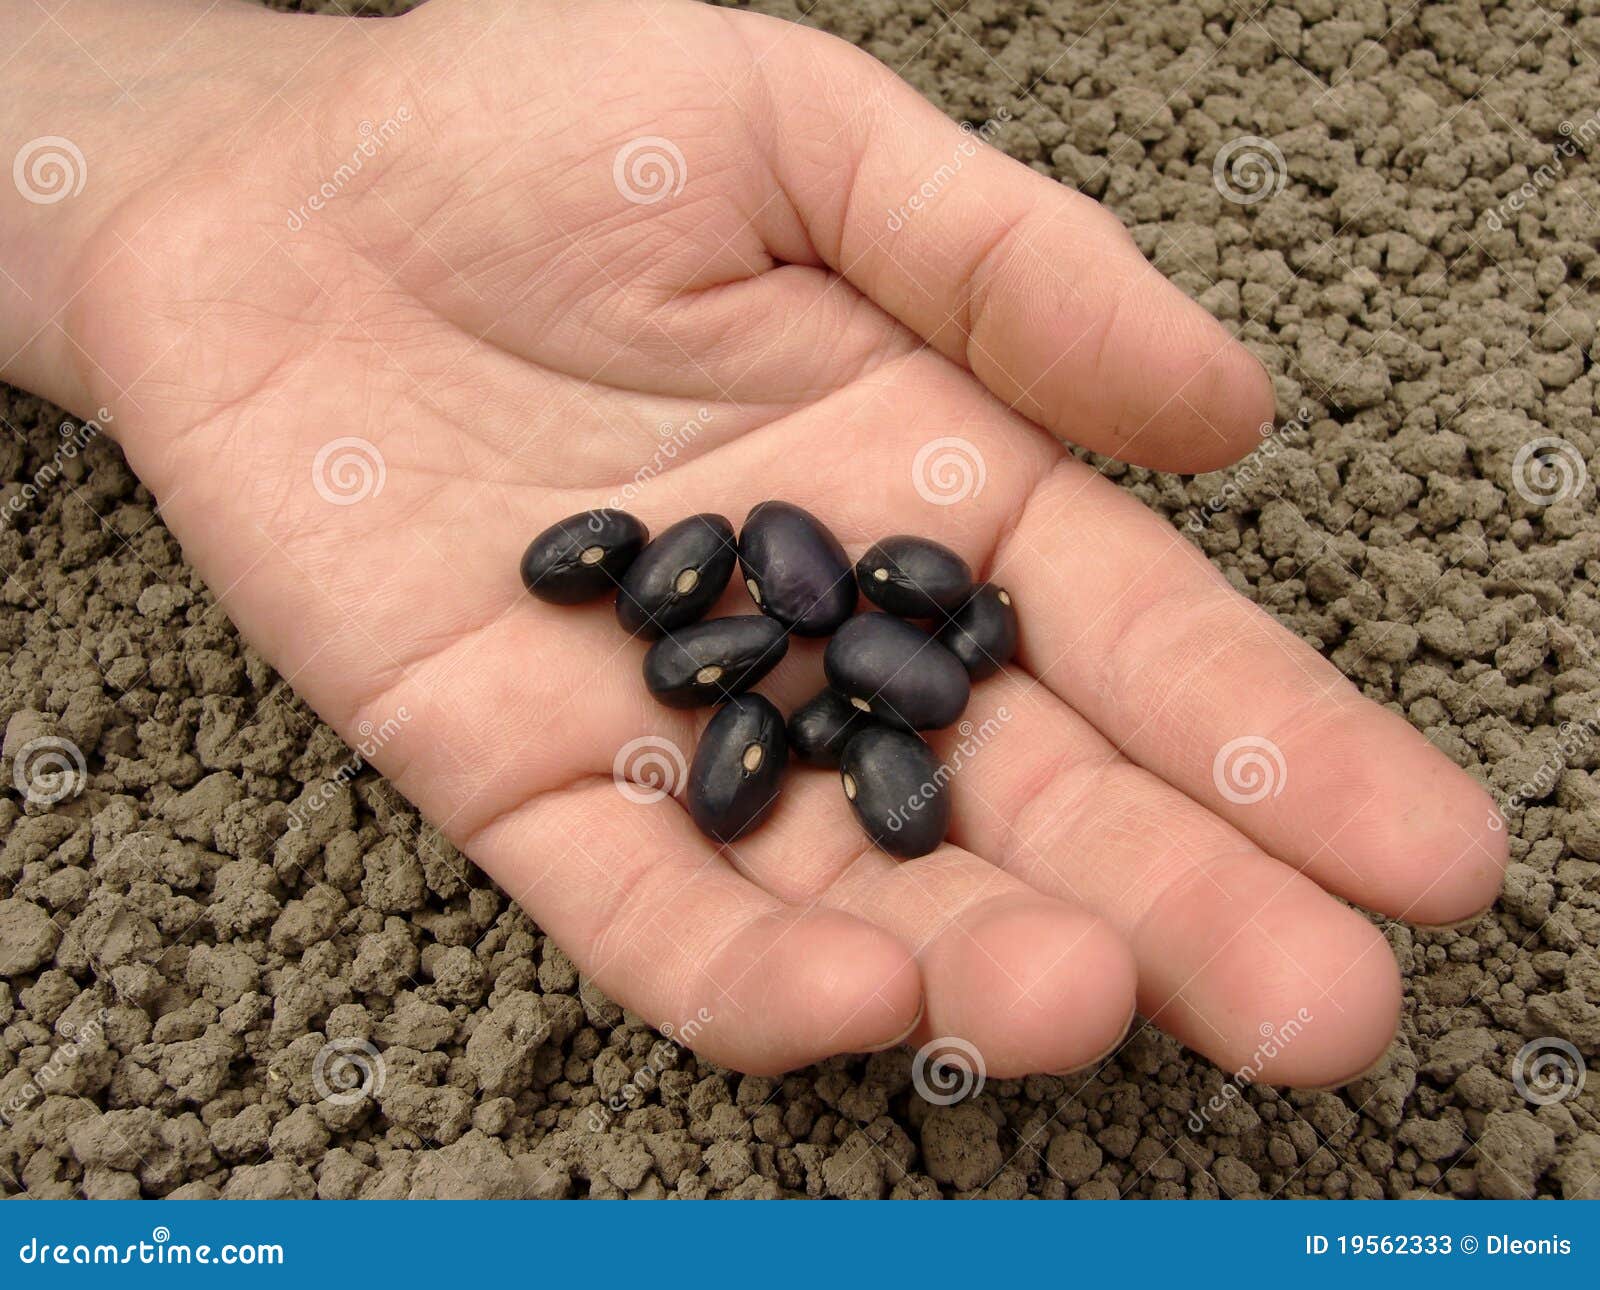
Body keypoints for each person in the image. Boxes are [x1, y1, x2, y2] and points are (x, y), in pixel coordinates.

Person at [0, 0, 1505, 1084]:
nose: (774, 630)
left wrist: (160, 128)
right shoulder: (775, 628)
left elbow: (841, 665)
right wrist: (159, 160)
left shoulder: (816, 636)